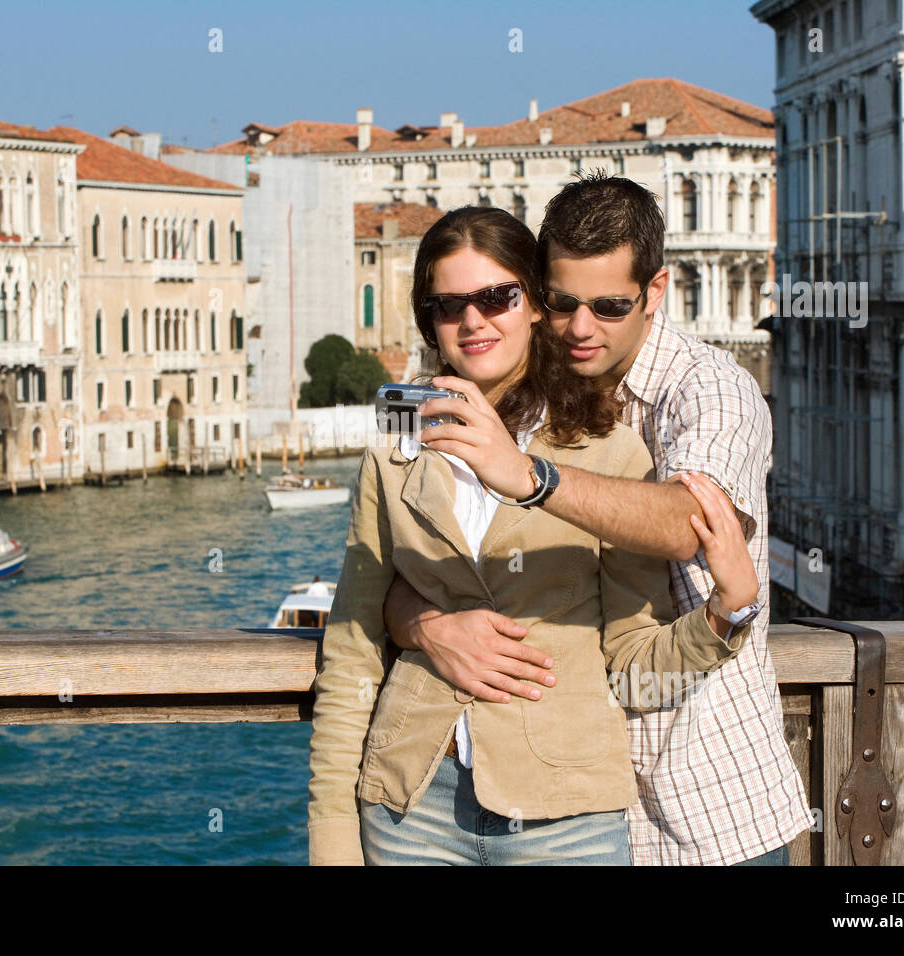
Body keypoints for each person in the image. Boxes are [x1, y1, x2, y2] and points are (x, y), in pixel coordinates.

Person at [308, 206, 761, 866]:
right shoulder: (397, 443)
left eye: (496, 297)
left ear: (534, 306)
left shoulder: (610, 453)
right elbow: (352, 643)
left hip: (566, 816)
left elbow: (632, 657)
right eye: (447, 304)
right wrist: (330, 834)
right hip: (408, 804)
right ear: (428, 320)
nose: (473, 320)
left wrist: (727, 614)